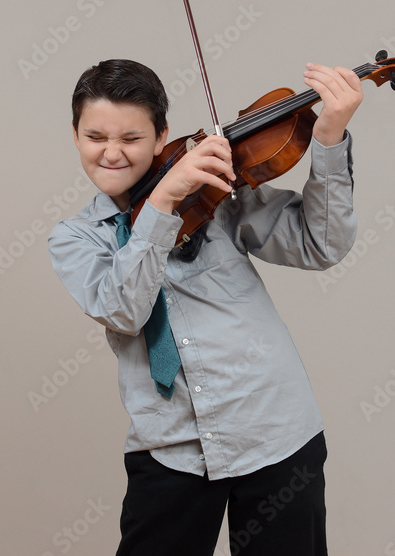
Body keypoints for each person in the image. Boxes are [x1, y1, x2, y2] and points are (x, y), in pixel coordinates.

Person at [47, 58, 363, 556]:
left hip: (275, 432)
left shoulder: (218, 193)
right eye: (95, 137)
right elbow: (125, 311)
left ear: (161, 135)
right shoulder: (76, 239)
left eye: (131, 138)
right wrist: (162, 205)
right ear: (75, 136)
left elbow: (319, 245)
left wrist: (327, 140)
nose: (111, 153)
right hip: (170, 448)